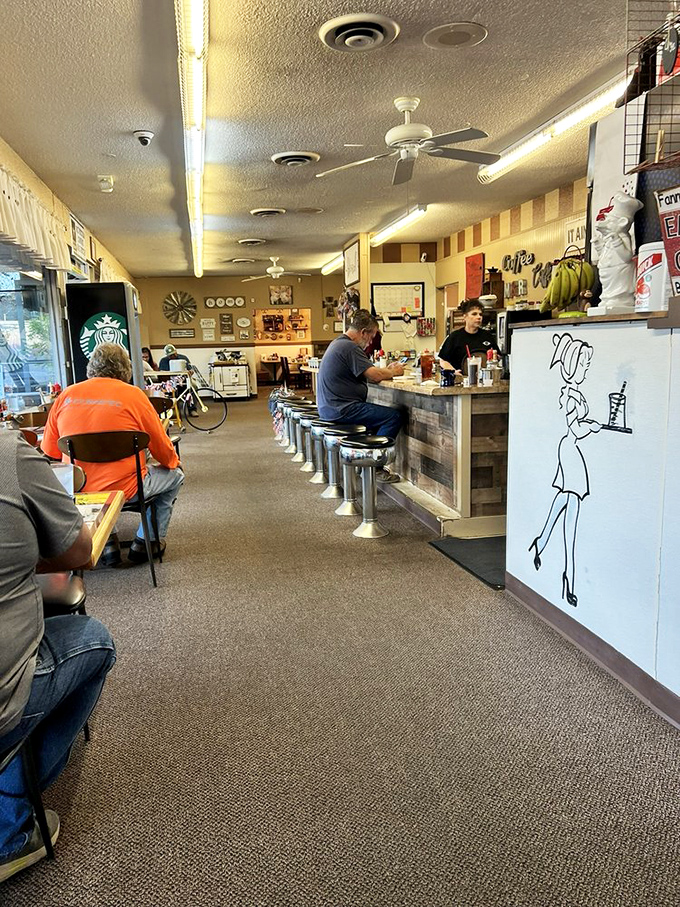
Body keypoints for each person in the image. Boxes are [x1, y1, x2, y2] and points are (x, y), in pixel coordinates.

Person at [0, 431, 116, 882]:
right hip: (113, 491)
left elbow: (55, 445)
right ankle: (10, 827)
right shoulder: (9, 453)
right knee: (94, 639)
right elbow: (78, 551)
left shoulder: (62, 409)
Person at [41, 343, 184, 564]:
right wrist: (174, 463)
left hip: (79, 488)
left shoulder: (66, 396)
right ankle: (147, 543)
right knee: (175, 477)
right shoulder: (134, 396)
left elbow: (50, 450)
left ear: (91, 367)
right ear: (125, 368)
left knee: (97, 481)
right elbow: (162, 448)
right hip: (129, 488)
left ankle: (108, 544)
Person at [529, 333, 601, 608]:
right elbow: (576, 429)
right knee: (572, 512)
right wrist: (591, 427)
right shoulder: (571, 395)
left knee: (565, 500)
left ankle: (540, 541)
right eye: (584, 364)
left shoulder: (574, 393)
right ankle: (569, 577)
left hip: (569, 450)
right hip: (570, 449)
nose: (586, 369)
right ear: (572, 366)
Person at [316, 310, 405, 482]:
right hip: (343, 409)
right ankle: (376, 466)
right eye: (371, 337)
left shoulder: (338, 343)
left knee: (374, 422)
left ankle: (363, 462)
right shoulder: (350, 347)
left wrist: (386, 370)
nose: (370, 342)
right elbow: (375, 375)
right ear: (363, 332)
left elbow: (369, 372)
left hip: (330, 408)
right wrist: (394, 371)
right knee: (393, 417)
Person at [438, 299, 498, 375]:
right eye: (474, 314)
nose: (479, 317)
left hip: (485, 379)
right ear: (465, 317)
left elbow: (497, 357)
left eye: (480, 314)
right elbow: (443, 360)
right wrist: (454, 372)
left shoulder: (487, 336)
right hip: (461, 381)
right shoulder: (455, 337)